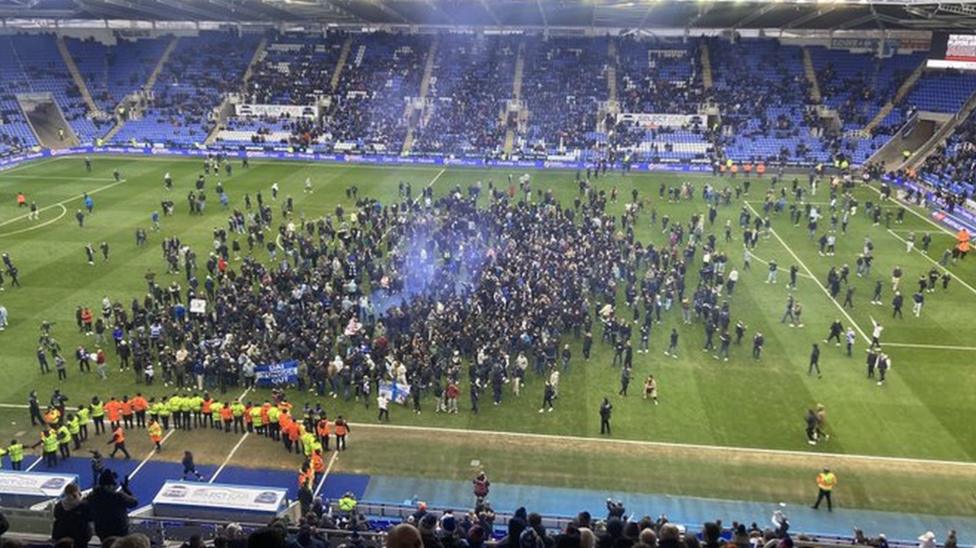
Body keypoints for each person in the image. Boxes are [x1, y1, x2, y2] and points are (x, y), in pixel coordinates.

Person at [86, 469, 137, 540]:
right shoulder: (119, 497)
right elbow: (134, 503)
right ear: (108, 486)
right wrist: (127, 491)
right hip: (120, 532)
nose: (115, 487)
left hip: (101, 533)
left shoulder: (92, 497)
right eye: (113, 485)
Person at [52, 482, 92, 548]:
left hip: (61, 537)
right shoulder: (84, 506)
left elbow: (57, 520)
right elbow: (89, 523)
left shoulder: (59, 506)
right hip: (80, 539)